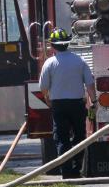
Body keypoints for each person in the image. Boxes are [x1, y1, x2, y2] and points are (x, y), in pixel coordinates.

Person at [38, 28, 96, 179]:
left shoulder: (49, 63)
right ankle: (76, 169)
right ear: (67, 44)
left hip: (58, 105)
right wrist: (94, 101)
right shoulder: (79, 61)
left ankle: (66, 171)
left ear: (52, 46)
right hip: (77, 104)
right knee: (79, 136)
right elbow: (90, 84)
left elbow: (43, 87)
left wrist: (47, 100)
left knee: (61, 138)